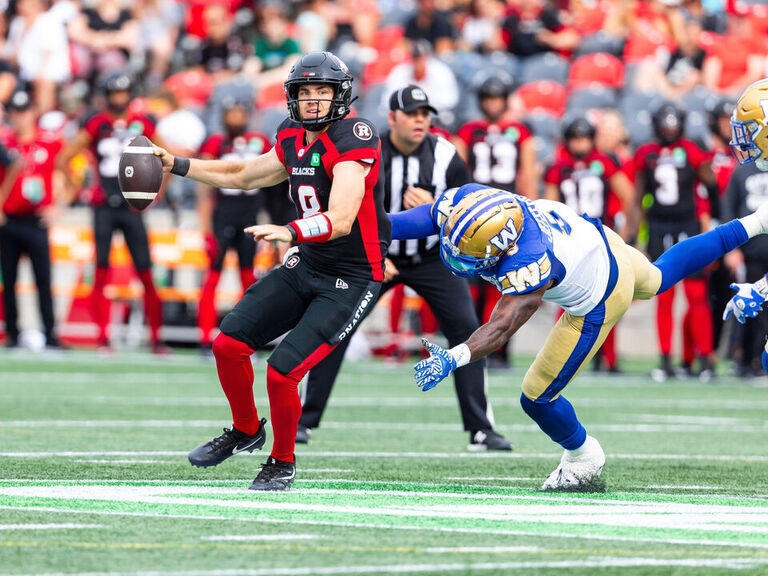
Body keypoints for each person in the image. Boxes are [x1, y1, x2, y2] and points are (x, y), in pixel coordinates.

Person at [388, 182, 768, 491]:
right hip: (603, 243)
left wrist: (453, 357)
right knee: (658, 276)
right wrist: (376, 225)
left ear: (503, 244)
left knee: (536, 396)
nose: (461, 258)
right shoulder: (478, 204)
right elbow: (425, 216)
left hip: (598, 296)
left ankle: (584, 456)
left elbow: (503, 324)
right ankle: (755, 223)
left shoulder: (531, 260)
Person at [150, 51, 390, 491]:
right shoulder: (291, 134)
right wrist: (178, 165)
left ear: (340, 94)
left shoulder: (356, 135)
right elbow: (242, 174)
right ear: (291, 97)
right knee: (228, 345)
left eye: (322, 91)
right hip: (307, 261)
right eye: (305, 91)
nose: (314, 100)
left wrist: (289, 229)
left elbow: (340, 218)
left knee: (283, 370)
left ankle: (282, 461)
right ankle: (245, 430)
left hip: (353, 275)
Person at [297, 85, 511, 451]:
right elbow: (349, 209)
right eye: (412, 114)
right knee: (335, 326)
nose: (420, 121)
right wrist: (377, 252)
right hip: (373, 253)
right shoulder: (366, 151)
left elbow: (470, 208)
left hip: (432, 258)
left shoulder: (446, 156)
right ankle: (304, 420)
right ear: (392, 117)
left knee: (467, 330)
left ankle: (480, 428)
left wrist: (439, 207)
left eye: (425, 114)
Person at [56, 71, 167, 354]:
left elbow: (169, 157)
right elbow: (64, 158)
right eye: (114, 93)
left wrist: (157, 190)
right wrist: (78, 186)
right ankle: (103, 337)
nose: (119, 98)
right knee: (102, 270)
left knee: (145, 270)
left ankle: (156, 339)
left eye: (123, 92)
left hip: (133, 206)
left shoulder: (143, 123)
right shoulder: (96, 123)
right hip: (103, 205)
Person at [453, 75, 536, 369]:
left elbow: (527, 173)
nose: (492, 103)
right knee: (471, 283)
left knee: (503, 285)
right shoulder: (468, 131)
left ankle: (498, 350)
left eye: (496, 98)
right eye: (487, 98)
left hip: (508, 214)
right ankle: (469, 345)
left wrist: (531, 210)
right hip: (476, 215)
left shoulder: (520, 132)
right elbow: (458, 170)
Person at [544, 117, 635, 373]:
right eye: (575, 139)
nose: (580, 144)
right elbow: (549, 206)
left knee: (608, 298)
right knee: (565, 299)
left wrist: (625, 232)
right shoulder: (558, 167)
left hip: (599, 238)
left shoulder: (604, 163)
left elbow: (628, 196)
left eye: (584, 138)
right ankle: (561, 357)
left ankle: (608, 358)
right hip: (569, 241)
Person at [635, 103, 718, 381]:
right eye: (664, 123)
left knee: (696, 295)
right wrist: (634, 235)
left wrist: (712, 225)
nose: (668, 129)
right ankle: (666, 358)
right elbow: (638, 195)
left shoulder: (692, 150)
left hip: (689, 226)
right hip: (659, 227)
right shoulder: (646, 153)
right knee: (664, 296)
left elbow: (712, 184)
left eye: (673, 124)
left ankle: (705, 359)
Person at [197, 98, 271, 353]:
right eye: (232, 113)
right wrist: (206, 228)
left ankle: (247, 336)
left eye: (240, 112)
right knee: (212, 278)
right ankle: (206, 336)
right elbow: (204, 188)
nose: (236, 117)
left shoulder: (260, 141)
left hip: (249, 218)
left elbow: (275, 178)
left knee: (249, 280)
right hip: (223, 218)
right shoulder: (216, 143)